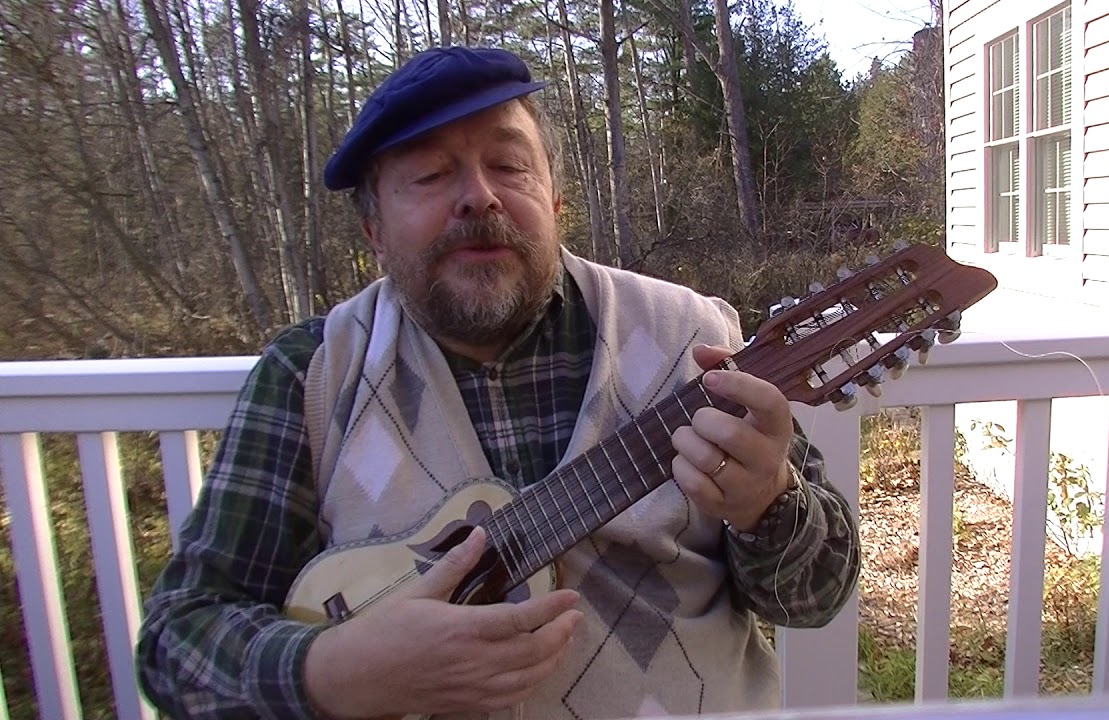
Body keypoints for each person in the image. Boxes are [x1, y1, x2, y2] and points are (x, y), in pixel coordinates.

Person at [134, 45, 860, 720]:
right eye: (428, 174)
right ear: (374, 230)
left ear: (554, 199)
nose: (478, 197)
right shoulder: (314, 374)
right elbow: (178, 641)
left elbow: (816, 597)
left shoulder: (694, 342)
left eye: (509, 167)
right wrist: (336, 669)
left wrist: (770, 504)